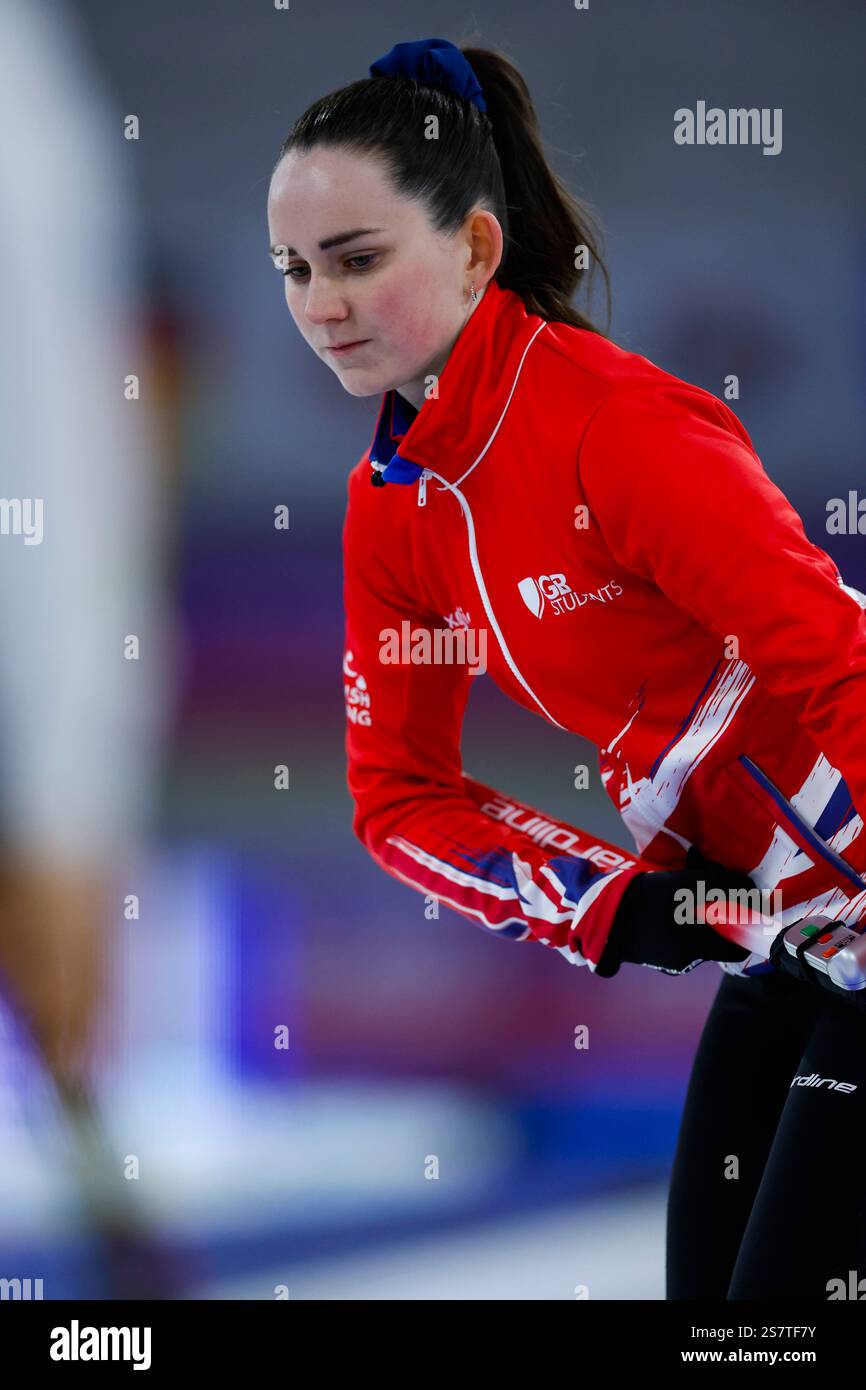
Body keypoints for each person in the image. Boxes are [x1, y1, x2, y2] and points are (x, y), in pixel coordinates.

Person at [266, 36, 866, 1299]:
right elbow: (398, 797)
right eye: (294, 268)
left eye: (358, 260)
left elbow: (834, 662)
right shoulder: (391, 514)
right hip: (781, 938)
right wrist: (611, 900)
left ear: (476, 250)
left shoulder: (617, 428)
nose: (320, 305)